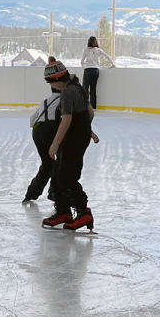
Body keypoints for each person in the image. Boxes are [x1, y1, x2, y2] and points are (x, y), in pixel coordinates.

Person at [41, 61, 100, 231]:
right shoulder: (78, 87)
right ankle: (64, 212)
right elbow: (89, 112)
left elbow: (66, 120)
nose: (51, 86)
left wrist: (54, 144)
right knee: (60, 175)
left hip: (73, 141)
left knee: (67, 177)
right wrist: (88, 131)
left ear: (56, 80)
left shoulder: (67, 93)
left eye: (50, 82)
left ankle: (83, 213)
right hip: (79, 138)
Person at [23, 57, 62, 203]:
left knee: (47, 164)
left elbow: (31, 121)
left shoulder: (45, 102)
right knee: (60, 164)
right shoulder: (65, 100)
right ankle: (54, 192)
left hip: (37, 131)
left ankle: (31, 193)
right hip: (50, 130)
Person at [80, 36, 116, 109]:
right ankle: (93, 107)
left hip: (88, 70)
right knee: (93, 89)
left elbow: (82, 62)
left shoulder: (86, 50)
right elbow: (108, 56)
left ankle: (84, 106)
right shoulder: (98, 50)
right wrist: (113, 64)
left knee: (85, 88)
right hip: (95, 70)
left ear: (88, 42)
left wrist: (85, 67)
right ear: (96, 42)